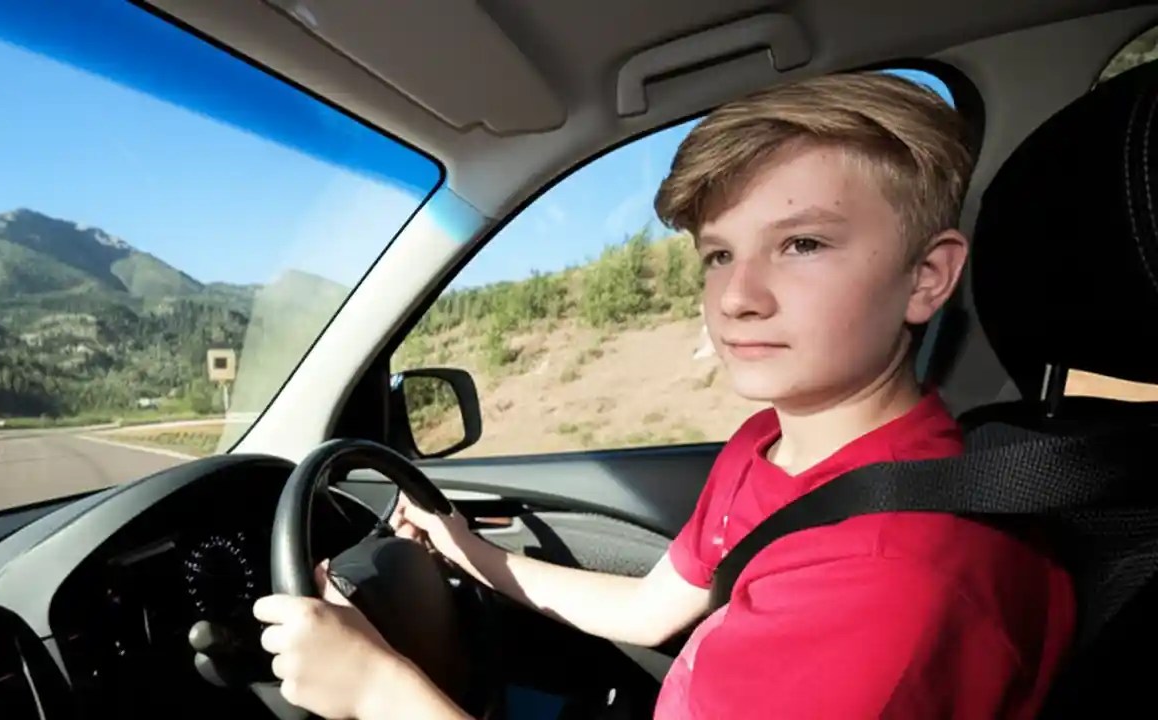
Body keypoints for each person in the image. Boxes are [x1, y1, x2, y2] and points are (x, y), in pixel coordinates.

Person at [253, 71, 1077, 719]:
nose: (737, 297)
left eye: (802, 243)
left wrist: (377, 691)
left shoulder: (891, 581)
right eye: (719, 255)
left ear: (926, 277)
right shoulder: (770, 442)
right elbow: (653, 612)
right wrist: (463, 548)